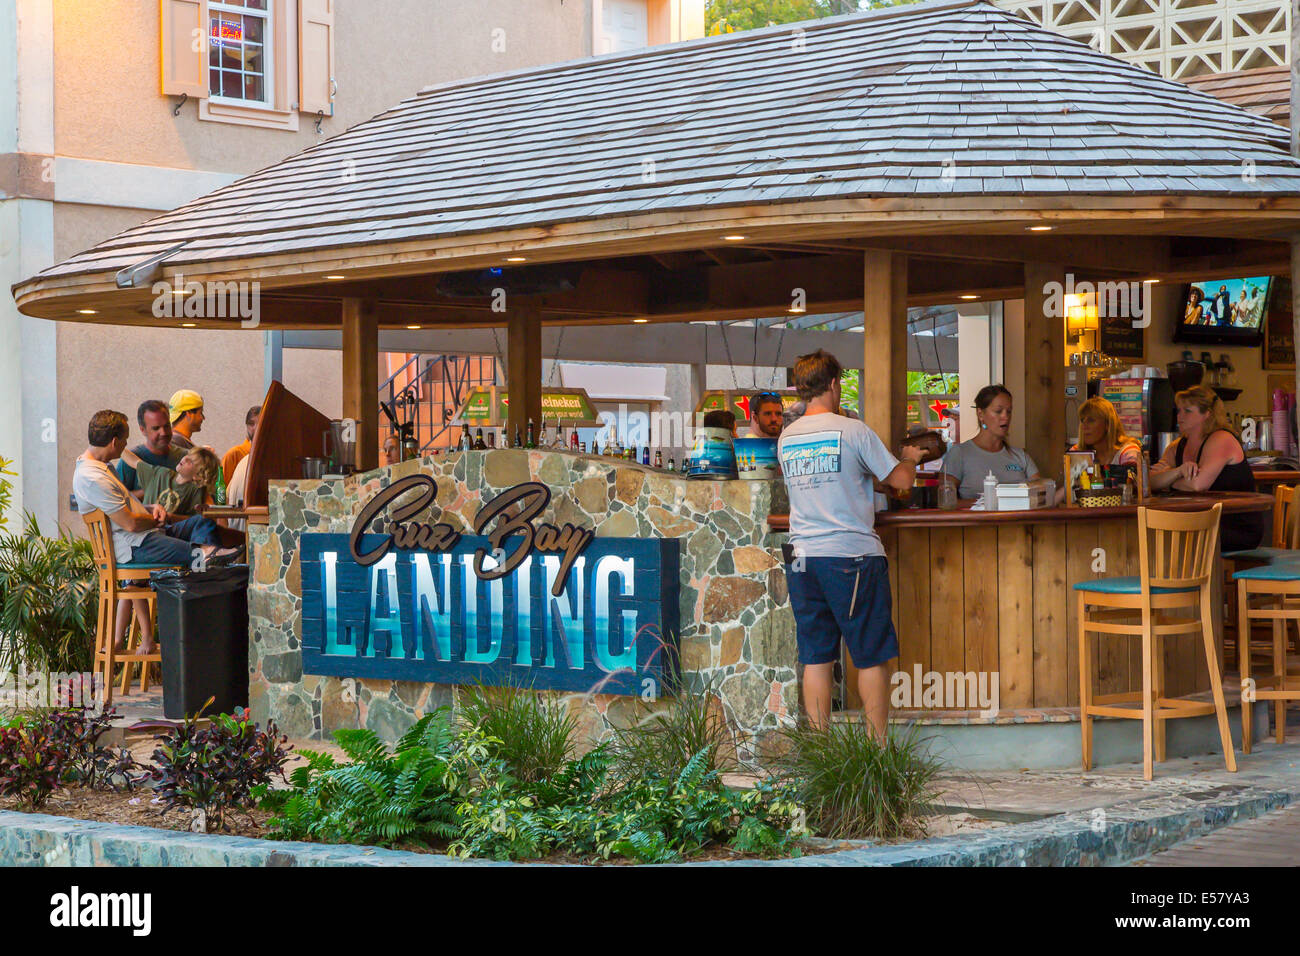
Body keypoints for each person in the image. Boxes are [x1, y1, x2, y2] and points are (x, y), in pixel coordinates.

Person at [778, 350, 925, 739]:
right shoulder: (852, 430)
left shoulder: (787, 437)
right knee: (871, 654)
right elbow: (901, 482)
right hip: (851, 554)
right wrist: (909, 458)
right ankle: (876, 753)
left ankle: (822, 754)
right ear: (833, 384)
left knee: (816, 658)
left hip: (802, 557)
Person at [73, 411, 239, 655]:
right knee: (199, 557)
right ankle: (210, 579)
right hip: (135, 546)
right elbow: (130, 524)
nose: (126, 445)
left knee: (199, 525)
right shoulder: (93, 477)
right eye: (125, 440)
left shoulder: (101, 468)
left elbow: (129, 509)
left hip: (146, 535)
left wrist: (149, 509)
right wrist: (153, 518)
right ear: (114, 442)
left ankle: (210, 567)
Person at [1149, 384, 1263, 552]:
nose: (1179, 416)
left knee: (1170, 537)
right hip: (1202, 522)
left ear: (1207, 414)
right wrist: (1179, 471)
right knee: (1159, 532)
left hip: (1235, 526)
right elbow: (1150, 480)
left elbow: (1197, 485)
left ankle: (1197, 579)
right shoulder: (1177, 446)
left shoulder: (1221, 439)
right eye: (1178, 410)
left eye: (1187, 411)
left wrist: (1167, 482)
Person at [941, 384, 1040, 501]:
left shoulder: (1021, 456)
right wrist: (986, 504)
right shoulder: (959, 453)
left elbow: (1042, 496)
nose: (1005, 417)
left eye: (1009, 411)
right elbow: (945, 502)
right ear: (980, 414)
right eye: (998, 411)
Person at [123, 445, 220, 519]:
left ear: (198, 476)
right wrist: (116, 446)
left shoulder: (195, 491)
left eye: (190, 462)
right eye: (188, 455)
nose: (185, 458)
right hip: (142, 526)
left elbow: (192, 520)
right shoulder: (161, 473)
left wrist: (170, 517)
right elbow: (135, 461)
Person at [115, 399, 183, 493]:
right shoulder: (130, 460)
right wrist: (148, 492)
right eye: (156, 428)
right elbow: (117, 498)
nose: (163, 433)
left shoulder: (184, 458)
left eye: (167, 426)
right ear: (143, 430)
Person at [1072, 397, 1141, 467]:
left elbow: (1132, 476)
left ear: (1108, 424)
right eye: (1082, 420)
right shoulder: (1076, 451)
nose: (1084, 426)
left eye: (1091, 420)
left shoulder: (1128, 452)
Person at [221, 405, 260, 484]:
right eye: (251, 423)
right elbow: (220, 490)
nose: (255, 428)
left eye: (260, 423)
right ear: (246, 426)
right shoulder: (234, 454)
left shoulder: (272, 456)